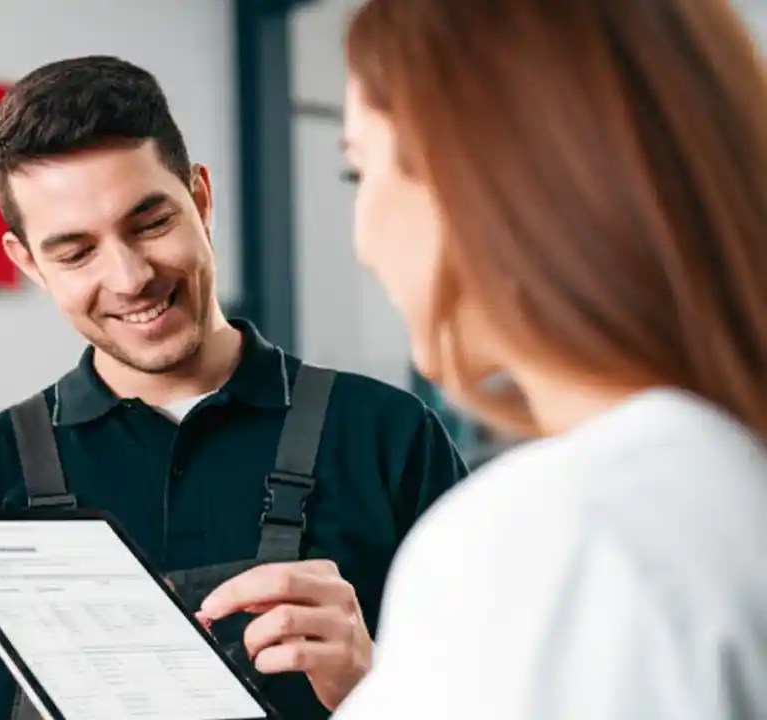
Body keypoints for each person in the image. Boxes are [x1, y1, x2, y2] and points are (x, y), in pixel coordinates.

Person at [0, 55, 468, 720]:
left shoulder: (390, 439)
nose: (131, 276)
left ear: (201, 197)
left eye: (151, 223)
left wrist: (376, 688)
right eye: (77, 252)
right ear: (27, 263)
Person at [315, 1, 767, 718]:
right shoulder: (715, 480)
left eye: (358, 170)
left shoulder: (559, 539)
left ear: (481, 180)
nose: (362, 239)